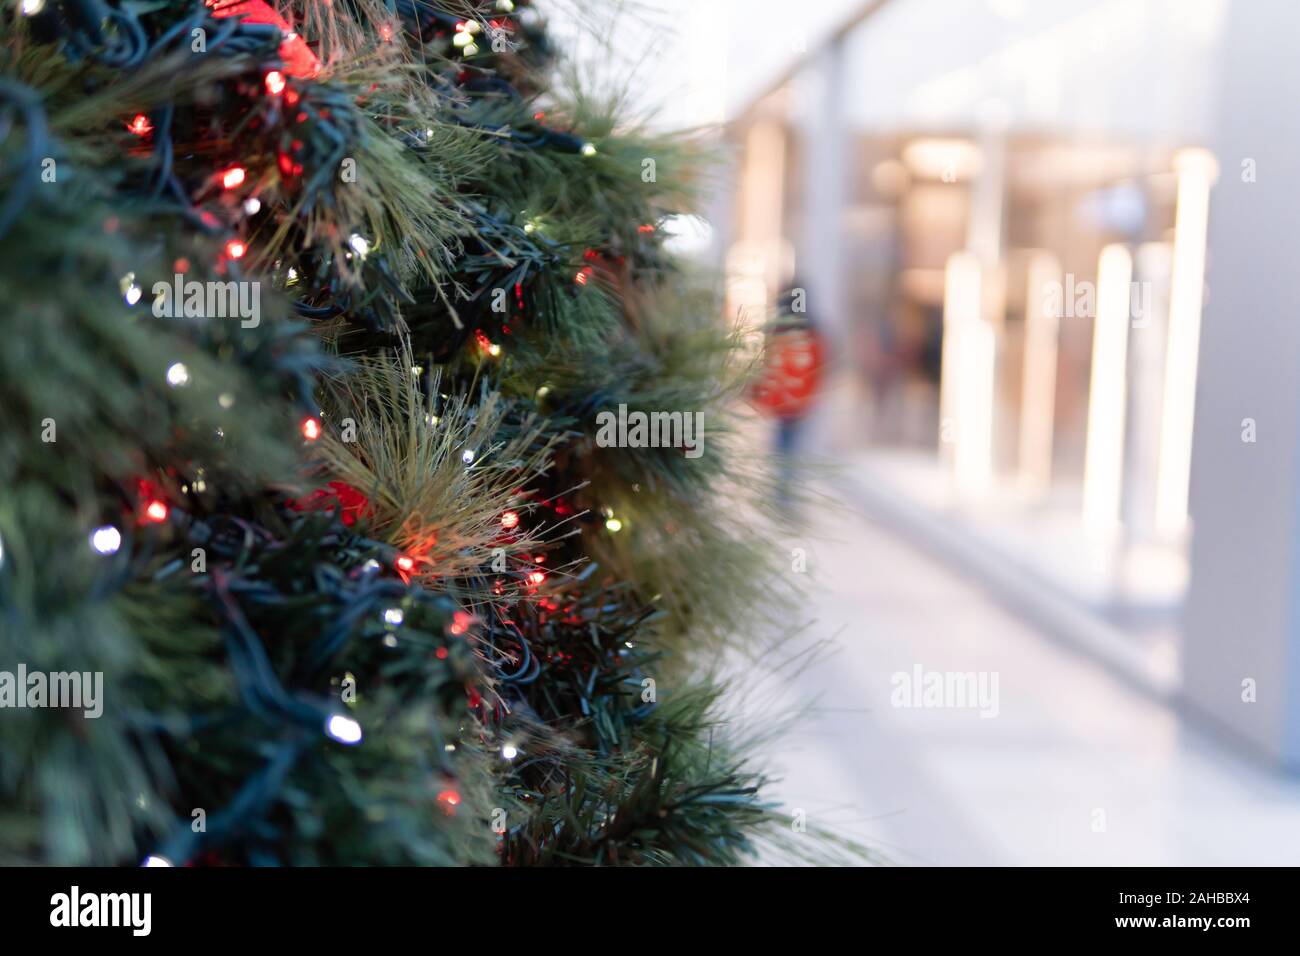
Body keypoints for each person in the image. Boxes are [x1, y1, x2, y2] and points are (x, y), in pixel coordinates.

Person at [750, 283, 827, 511]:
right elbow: (820, 368)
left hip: (784, 402)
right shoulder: (813, 331)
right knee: (791, 449)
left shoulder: (778, 331)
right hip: (801, 402)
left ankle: (781, 497)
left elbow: (768, 368)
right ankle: (786, 497)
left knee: (781, 449)